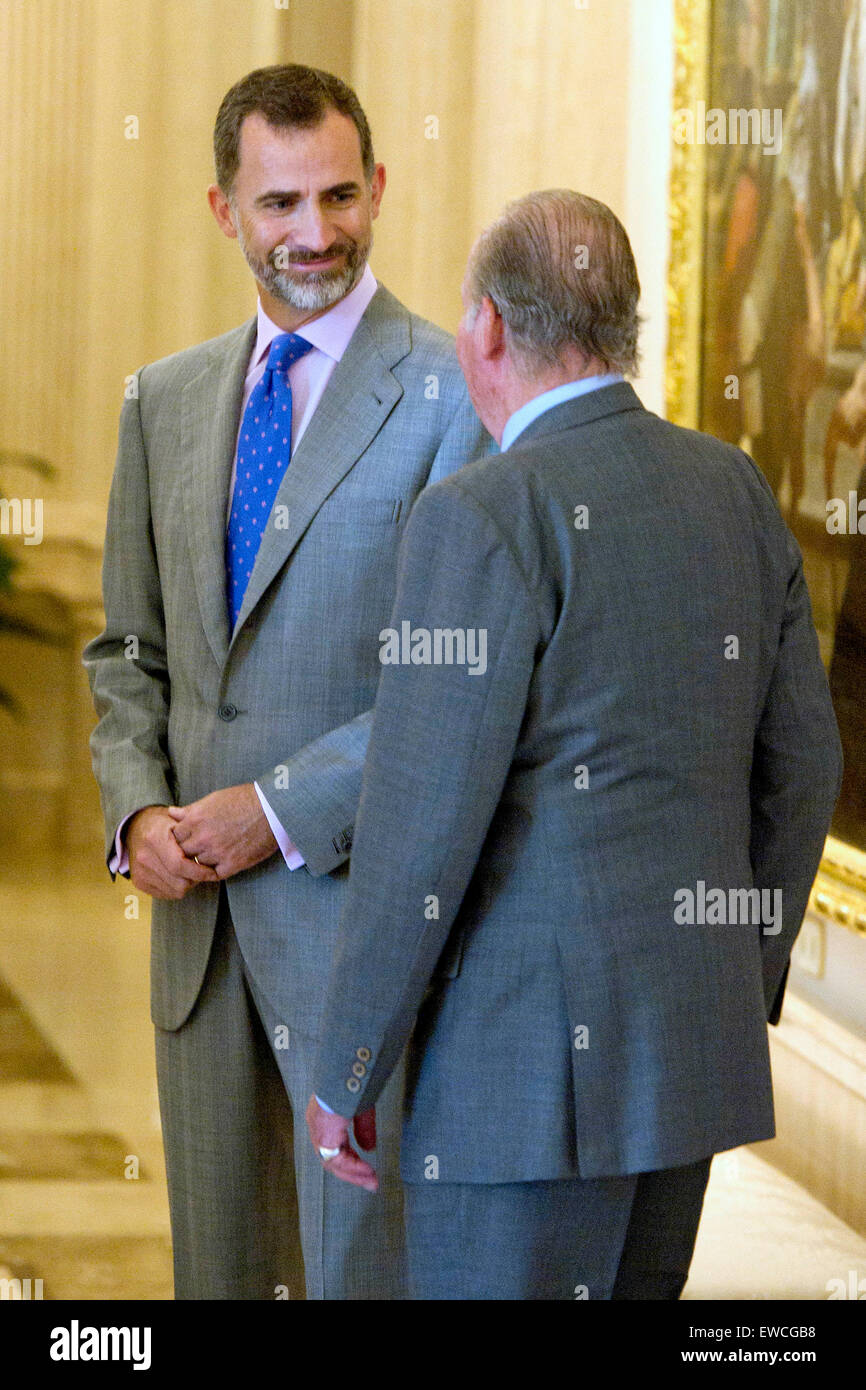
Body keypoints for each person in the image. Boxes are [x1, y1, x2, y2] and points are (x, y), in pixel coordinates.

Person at [307, 189, 843, 1300]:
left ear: (490, 329)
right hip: (684, 1067)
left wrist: (349, 1062)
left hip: (515, 1093)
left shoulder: (480, 512)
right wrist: (730, 972)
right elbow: (803, 772)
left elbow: (418, 829)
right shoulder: (733, 488)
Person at [83, 63, 489, 1301]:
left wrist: (276, 810)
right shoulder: (163, 401)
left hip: (359, 933)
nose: (313, 234)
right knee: (218, 1270)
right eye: (278, 204)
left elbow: (458, 686)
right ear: (223, 210)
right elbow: (127, 653)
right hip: (195, 941)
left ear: (378, 187)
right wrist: (135, 812)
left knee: (358, 1272)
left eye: (337, 196)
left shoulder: (452, 397)